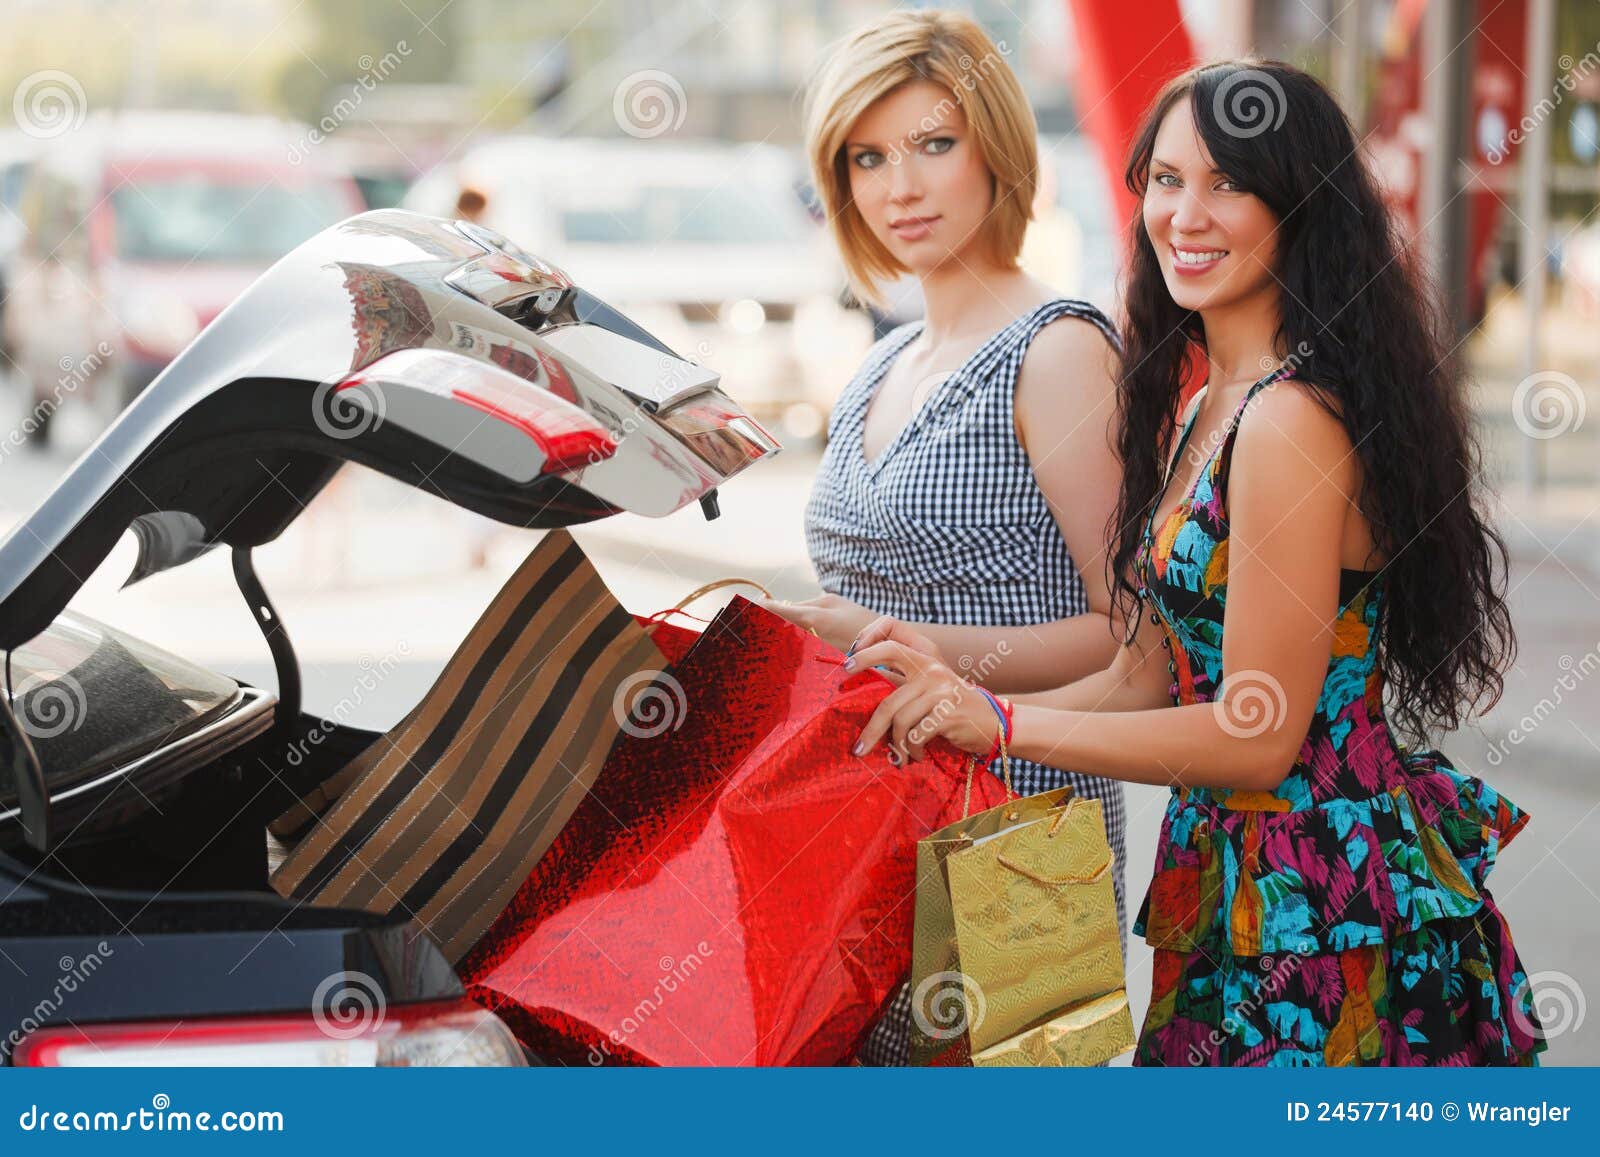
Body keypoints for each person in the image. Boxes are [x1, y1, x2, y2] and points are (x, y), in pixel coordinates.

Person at [848, 59, 1548, 1066]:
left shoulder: (1290, 421)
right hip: (1226, 888)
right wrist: (945, 680)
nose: (1185, 212)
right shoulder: (1204, 409)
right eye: (1166, 181)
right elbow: (1140, 673)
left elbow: (1255, 735)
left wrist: (999, 722)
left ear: (1299, 206)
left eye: (1228, 182)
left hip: (1321, 907)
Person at [759, 9, 1128, 1066]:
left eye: (932, 144)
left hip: (1013, 828)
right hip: (861, 824)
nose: (899, 188)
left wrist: (883, 630)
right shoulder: (878, 365)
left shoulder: (1055, 352)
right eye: (866, 158)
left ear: (995, 151)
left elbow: (1128, 636)